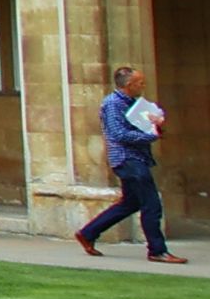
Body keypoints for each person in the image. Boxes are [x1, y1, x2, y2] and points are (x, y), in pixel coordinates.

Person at [78, 66, 183, 262]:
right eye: (140, 83)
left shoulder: (134, 103)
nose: (143, 86)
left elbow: (139, 126)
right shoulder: (113, 104)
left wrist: (156, 126)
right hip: (127, 159)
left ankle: (88, 233)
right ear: (128, 85)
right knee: (151, 203)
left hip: (137, 157)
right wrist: (149, 136)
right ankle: (157, 250)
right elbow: (118, 134)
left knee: (130, 203)